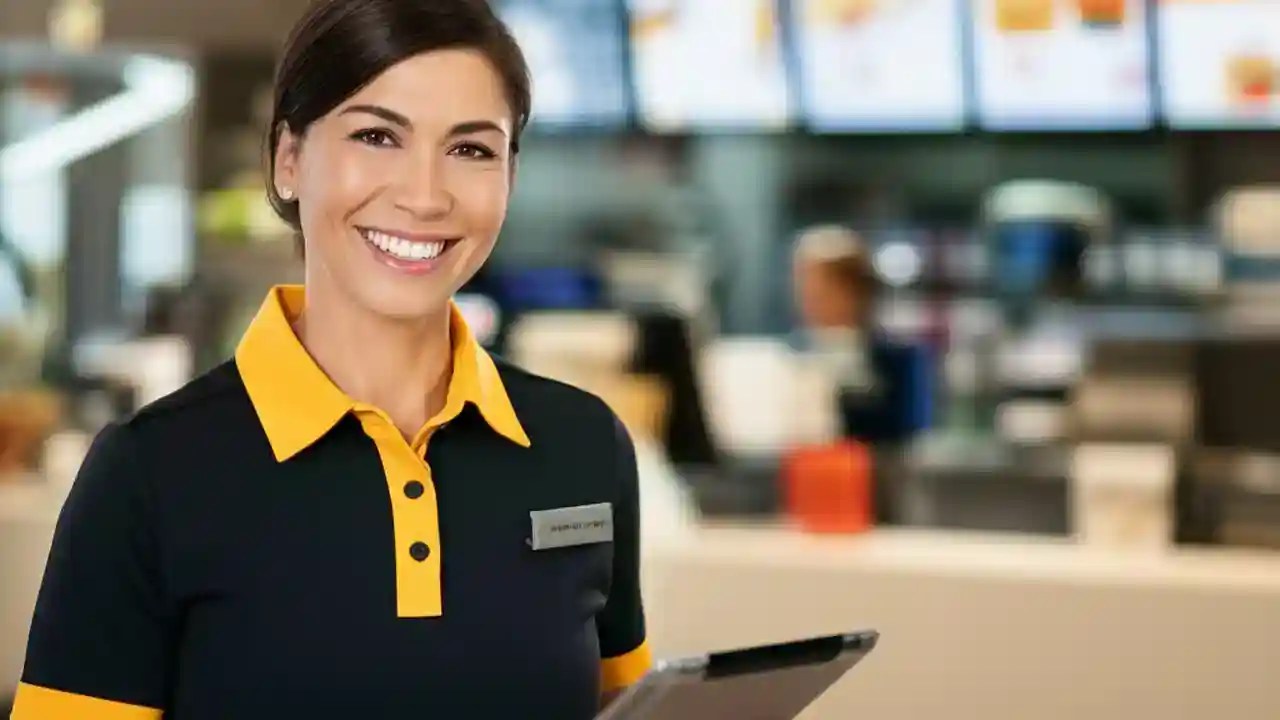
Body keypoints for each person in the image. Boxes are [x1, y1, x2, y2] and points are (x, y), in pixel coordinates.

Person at [12, 1, 650, 718]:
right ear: (288, 160)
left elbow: (629, 705)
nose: (424, 196)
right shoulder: (149, 475)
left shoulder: (584, 447)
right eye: (377, 136)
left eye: (471, 149)